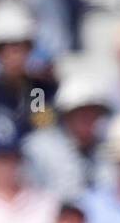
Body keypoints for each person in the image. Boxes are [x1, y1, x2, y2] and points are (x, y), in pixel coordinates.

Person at [22, 70, 112, 202]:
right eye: (81, 113)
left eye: (93, 112)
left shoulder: (107, 151)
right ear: (66, 115)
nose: (88, 119)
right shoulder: (40, 149)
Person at [0, 0, 55, 132]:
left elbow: (42, 131)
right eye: (6, 50)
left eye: (19, 49)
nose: (14, 57)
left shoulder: (38, 91)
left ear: (29, 50)